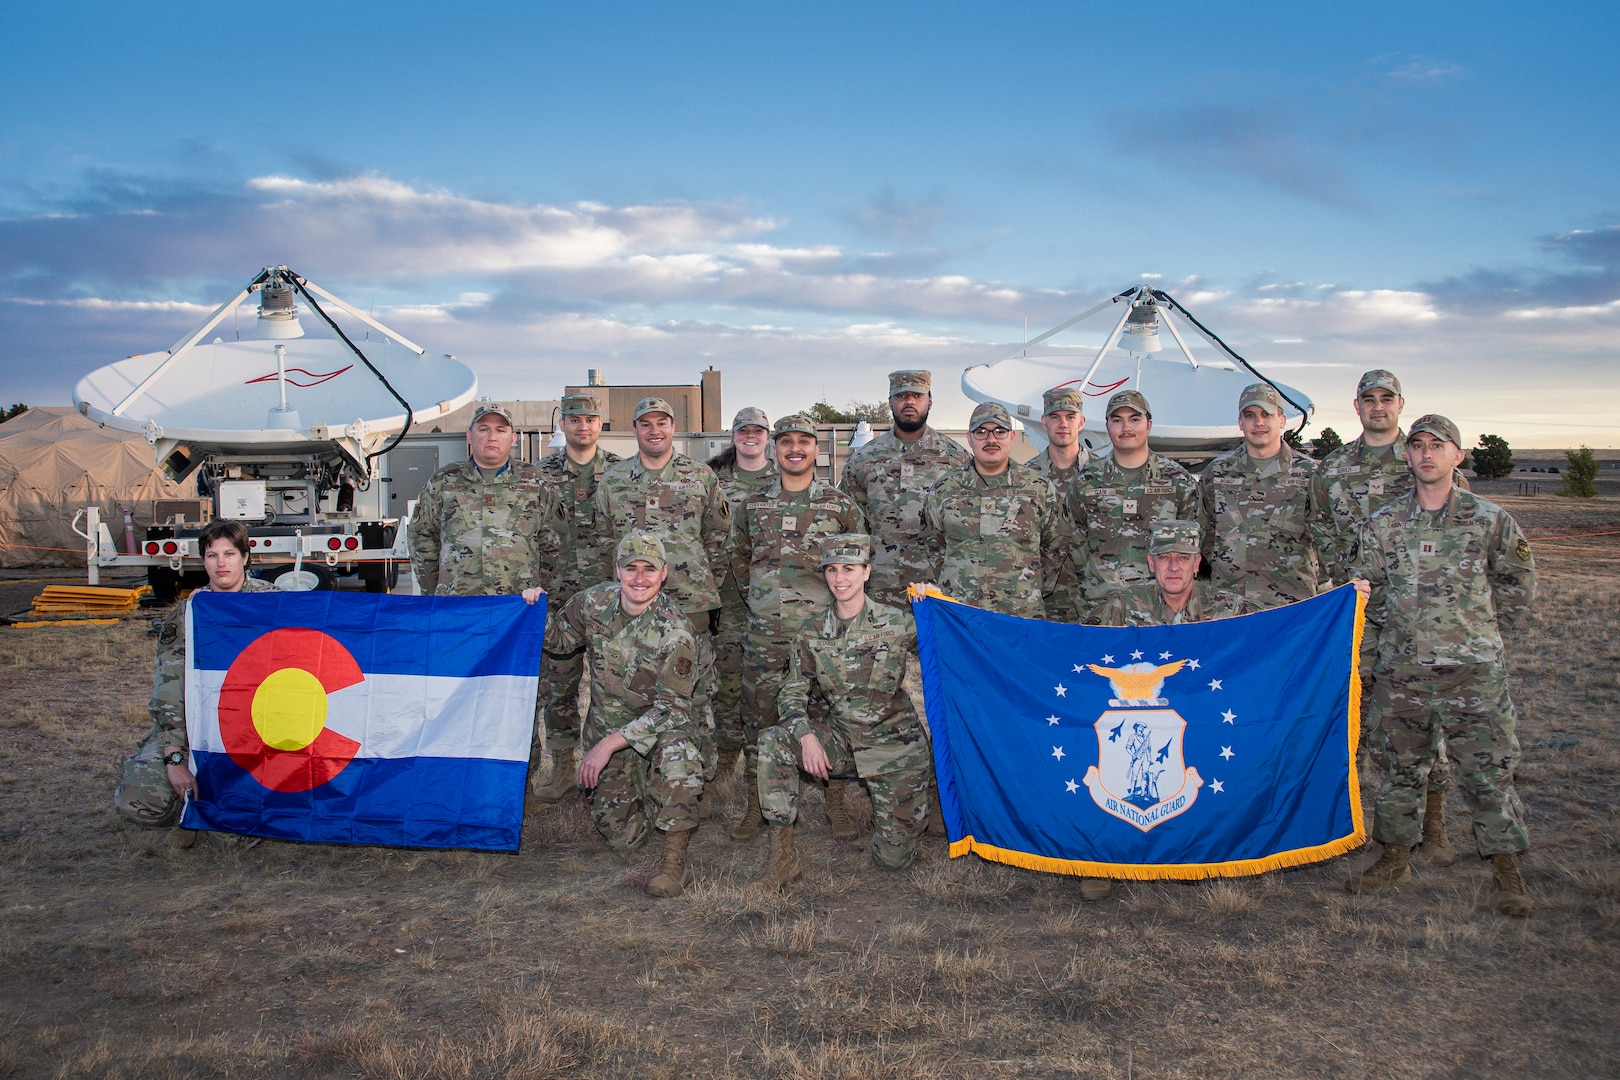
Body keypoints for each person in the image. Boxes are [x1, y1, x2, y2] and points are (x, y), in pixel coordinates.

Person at [1345, 415, 1537, 917]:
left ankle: (1506, 870)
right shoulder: (1383, 524)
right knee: (1400, 769)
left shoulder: (1490, 519)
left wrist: (1485, 635)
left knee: (1488, 771)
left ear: (1458, 455)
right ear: (1406, 457)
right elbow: (1370, 594)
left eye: (1438, 445)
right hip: (1404, 672)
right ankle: (1395, 859)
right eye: (1418, 446)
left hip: (1472, 673)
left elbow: (1517, 583)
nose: (1427, 453)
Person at [1311, 370, 1456, 863]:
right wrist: (1343, 581)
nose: (1378, 407)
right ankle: (1344, 822)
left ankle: (1432, 826)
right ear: (1356, 406)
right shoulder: (1331, 469)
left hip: (1414, 616)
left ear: (1400, 403)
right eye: (1368, 399)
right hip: (1353, 615)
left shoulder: (1422, 459)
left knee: (1416, 719)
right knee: (1348, 716)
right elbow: (1321, 530)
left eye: (1386, 398)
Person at [751, 534, 932, 890]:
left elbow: (955, 645)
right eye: (832, 570)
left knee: (893, 862)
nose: (839, 578)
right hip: (843, 740)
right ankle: (782, 859)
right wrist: (805, 736)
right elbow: (792, 691)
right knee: (773, 741)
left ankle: (924, 803)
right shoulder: (812, 631)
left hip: (894, 749)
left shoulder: (899, 622)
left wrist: (936, 604)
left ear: (866, 572)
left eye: (849, 569)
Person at [408, 402, 566, 787]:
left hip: (516, 615)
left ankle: (516, 787)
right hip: (459, 615)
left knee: (517, 699)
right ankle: (458, 783)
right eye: (483, 429)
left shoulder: (536, 484)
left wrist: (540, 595)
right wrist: (437, 597)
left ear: (513, 438)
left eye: (500, 430)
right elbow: (422, 540)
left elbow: (555, 544)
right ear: (469, 436)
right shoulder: (443, 482)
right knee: (457, 697)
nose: (491, 436)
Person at [541, 533, 705, 898]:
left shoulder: (675, 631)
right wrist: (532, 608)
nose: (639, 578)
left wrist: (607, 746)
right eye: (631, 568)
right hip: (607, 733)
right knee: (624, 841)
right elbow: (560, 641)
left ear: (664, 574)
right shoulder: (593, 603)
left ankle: (675, 859)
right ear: (617, 570)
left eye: (649, 569)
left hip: (660, 732)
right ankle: (648, 792)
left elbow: (671, 709)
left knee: (680, 758)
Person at [727, 415, 865, 841]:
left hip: (822, 637)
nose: (794, 449)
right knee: (759, 718)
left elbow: (857, 562)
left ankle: (835, 803)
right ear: (774, 448)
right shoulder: (753, 505)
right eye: (785, 441)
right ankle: (757, 805)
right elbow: (739, 558)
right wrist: (763, 604)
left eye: (804, 441)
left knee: (829, 714)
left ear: (816, 449)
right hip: (766, 635)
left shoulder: (838, 506)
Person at [114, 519, 276, 844]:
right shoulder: (189, 615)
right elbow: (169, 693)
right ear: (202, 560)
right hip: (193, 724)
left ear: (245, 557)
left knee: (232, 836)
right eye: (212, 555)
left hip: (254, 729)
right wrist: (175, 760)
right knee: (142, 801)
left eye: (229, 553)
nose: (221, 563)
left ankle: (209, 812)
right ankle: (184, 807)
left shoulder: (273, 605)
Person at [594, 396, 730, 781]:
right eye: (646, 423)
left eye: (662, 423)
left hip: (690, 604)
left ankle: (696, 774)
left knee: (695, 692)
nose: (655, 431)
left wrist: (705, 585)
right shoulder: (615, 479)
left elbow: (720, 539)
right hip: (632, 606)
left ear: (673, 427)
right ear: (635, 429)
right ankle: (638, 773)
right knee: (632, 689)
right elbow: (604, 540)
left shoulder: (700, 476)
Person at [530, 392, 622, 804]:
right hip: (558, 599)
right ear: (562, 425)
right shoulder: (538, 475)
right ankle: (564, 768)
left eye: (590, 419)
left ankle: (612, 770)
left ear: (601, 424)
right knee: (559, 688)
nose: (582, 426)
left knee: (613, 687)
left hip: (611, 599)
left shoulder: (622, 473)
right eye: (574, 419)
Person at [920, 401, 1069, 620]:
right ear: (969, 439)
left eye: (1000, 431)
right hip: (961, 615)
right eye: (981, 432)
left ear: (1012, 437)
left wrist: (1027, 587)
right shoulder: (945, 488)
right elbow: (933, 545)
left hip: (1020, 615)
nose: (991, 439)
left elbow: (1055, 547)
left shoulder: (1038, 488)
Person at [837, 370, 970, 607]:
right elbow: (851, 525)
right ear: (890, 402)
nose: (909, 402)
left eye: (917, 396)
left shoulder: (955, 458)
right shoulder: (864, 459)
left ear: (930, 400)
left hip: (938, 587)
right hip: (879, 588)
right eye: (902, 396)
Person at [1198, 383, 1333, 609]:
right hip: (1229, 607)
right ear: (1240, 422)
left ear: (1281, 420)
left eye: (1266, 414)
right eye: (1249, 415)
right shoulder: (1217, 473)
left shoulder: (1309, 474)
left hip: (1291, 607)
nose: (1258, 422)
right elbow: (1204, 535)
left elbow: (1327, 540)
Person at [1067, 390, 1201, 607]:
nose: (1126, 428)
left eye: (1134, 419)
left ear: (1148, 425)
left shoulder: (1177, 481)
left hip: (1159, 611)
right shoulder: (1087, 481)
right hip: (1101, 608)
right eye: (1117, 420)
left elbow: (1193, 545)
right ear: (1107, 425)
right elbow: (1074, 541)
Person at [707, 407, 779, 783]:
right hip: (727, 598)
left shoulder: (786, 476)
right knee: (728, 682)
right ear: (733, 435)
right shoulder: (712, 478)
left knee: (771, 684)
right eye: (743, 430)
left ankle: (768, 763)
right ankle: (725, 760)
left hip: (775, 598)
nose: (750, 436)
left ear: (767, 436)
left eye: (758, 430)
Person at [1083, 519, 1255, 628]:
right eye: (1164, 557)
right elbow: (1081, 642)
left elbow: (1273, 636)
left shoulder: (1229, 609)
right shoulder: (1125, 606)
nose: (1174, 567)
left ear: (1196, 564)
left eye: (1183, 558)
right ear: (1151, 563)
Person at [1025, 386, 1092, 618]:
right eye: (1055, 417)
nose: (1063, 424)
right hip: (1042, 600)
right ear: (1044, 422)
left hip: (1093, 598)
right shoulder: (1026, 478)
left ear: (1081, 422)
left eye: (1070, 417)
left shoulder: (1102, 474)